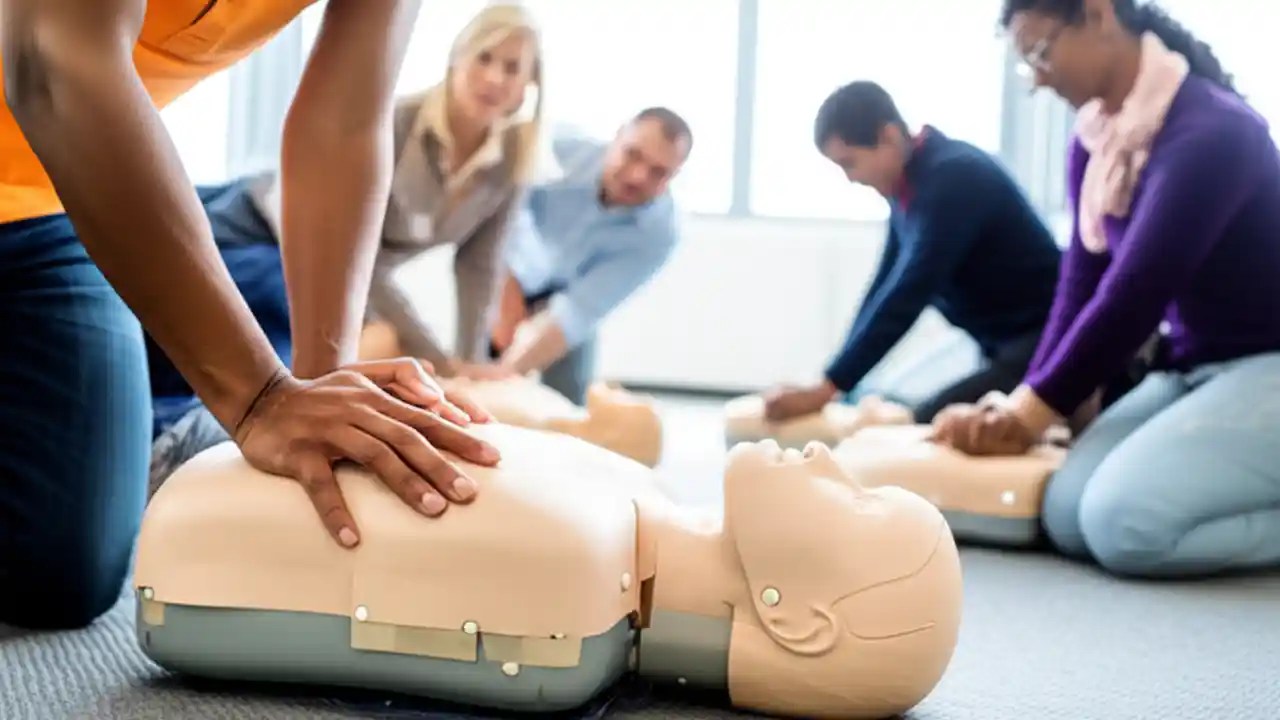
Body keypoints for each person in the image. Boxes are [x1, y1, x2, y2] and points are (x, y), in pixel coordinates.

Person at [0, 0, 503, 631]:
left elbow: (345, 119)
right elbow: (50, 55)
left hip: (45, 205)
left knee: (63, 572)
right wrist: (258, 398)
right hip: (57, 124)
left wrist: (325, 386)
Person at [932, 0, 1280, 579]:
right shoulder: (1096, 142)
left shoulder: (1215, 131)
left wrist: (1030, 414)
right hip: (1194, 368)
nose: (1038, 79)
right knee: (1067, 514)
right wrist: (1027, 396)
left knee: (1127, 527)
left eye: (1041, 53)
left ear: (1097, 15)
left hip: (1267, 364)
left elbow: (1137, 289)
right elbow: (1079, 284)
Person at [147, 3, 546, 475]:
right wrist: (440, 359)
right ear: (457, 58)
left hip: (325, 260)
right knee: (292, 352)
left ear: (529, 86)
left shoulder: (510, 165)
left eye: (512, 68)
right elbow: (363, 259)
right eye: (485, 58)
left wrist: (471, 361)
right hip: (257, 232)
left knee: (358, 342)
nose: (495, 78)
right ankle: (176, 441)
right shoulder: (397, 123)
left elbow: (479, 266)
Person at [762, 81, 1062, 424]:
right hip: (1003, 343)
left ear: (888, 136)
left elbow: (908, 293)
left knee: (926, 426)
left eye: (850, 163)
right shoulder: (907, 187)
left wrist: (828, 388)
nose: (851, 179)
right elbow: (884, 286)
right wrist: (831, 380)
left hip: (1045, 340)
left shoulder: (951, 178)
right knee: (904, 411)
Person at [488, 108, 692, 404]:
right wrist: (508, 293)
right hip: (509, 266)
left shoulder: (660, 234)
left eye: (658, 172)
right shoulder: (557, 147)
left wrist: (507, 375)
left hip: (572, 291)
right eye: (632, 154)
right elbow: (495, 214)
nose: (637, 176)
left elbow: (578, 310)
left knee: (566, 400)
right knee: (471, 366)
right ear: (618, 135)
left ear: (675, 176)